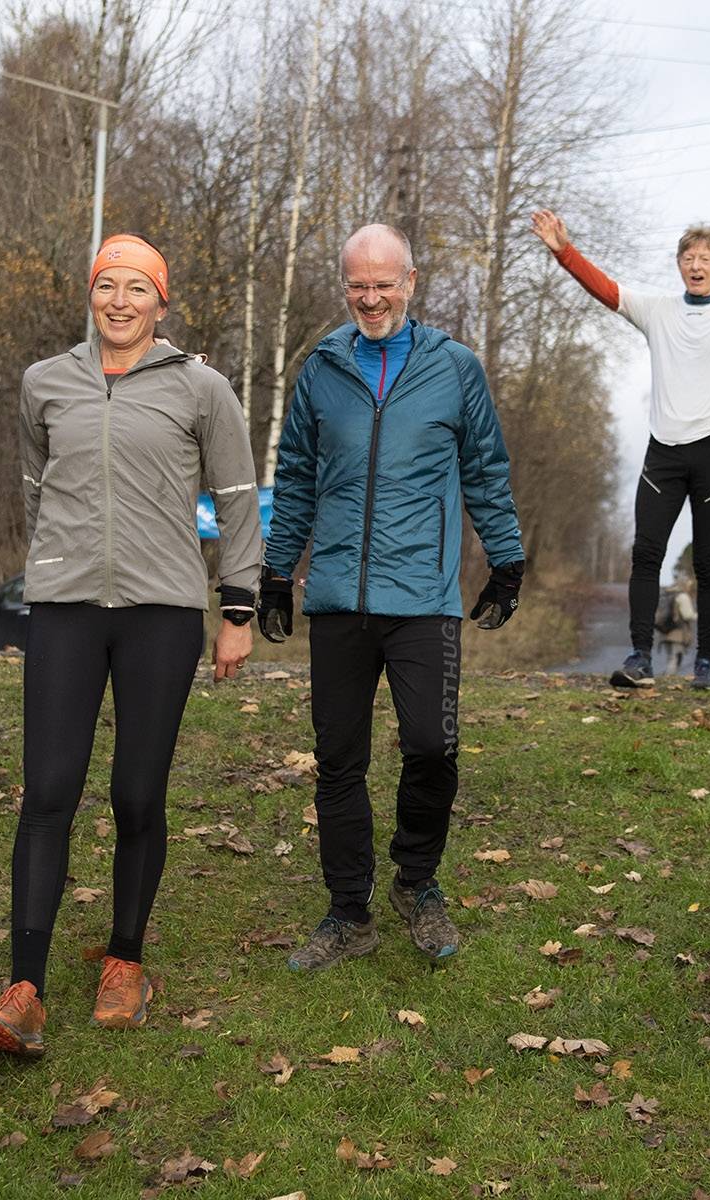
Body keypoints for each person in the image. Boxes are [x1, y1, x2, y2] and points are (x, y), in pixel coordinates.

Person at [0, 235, 260, 1054]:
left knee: (136, 793)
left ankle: (126, 960)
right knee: (48, 791)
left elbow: (238, 500)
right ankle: (24, 989)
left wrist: (238, 608)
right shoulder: (45, 382)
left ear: (162, 302)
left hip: (162, 611)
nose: (120, 302)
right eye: (106, 286)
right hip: (65, 609)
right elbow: (37, 487)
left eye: (137, 288)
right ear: (90, 295)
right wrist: (55, 563)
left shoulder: (201, 388)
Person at [258, 223, 525, 971]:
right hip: (338, 597)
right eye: (357, 285)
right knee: (338, 761)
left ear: (410, 281)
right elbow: (297, 476)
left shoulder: (455, 368)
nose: (371, 299)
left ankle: (416, 880)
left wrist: (506, 560)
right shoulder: (321, 369)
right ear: (344, 287)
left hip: (424, 597)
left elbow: (485, 469)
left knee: (433, 748)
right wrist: (276, 572)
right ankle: (349, 912)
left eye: (383, 284)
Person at [530, 193, 710, 690]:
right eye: (688, 257)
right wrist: (563, 251)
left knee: (709, 561)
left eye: (705, 258)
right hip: (664, 451)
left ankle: (705, 665)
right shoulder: (656, 311)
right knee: (646, 554)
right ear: (679, 265)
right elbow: (605, 289)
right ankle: (640, 657)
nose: (696, 265)